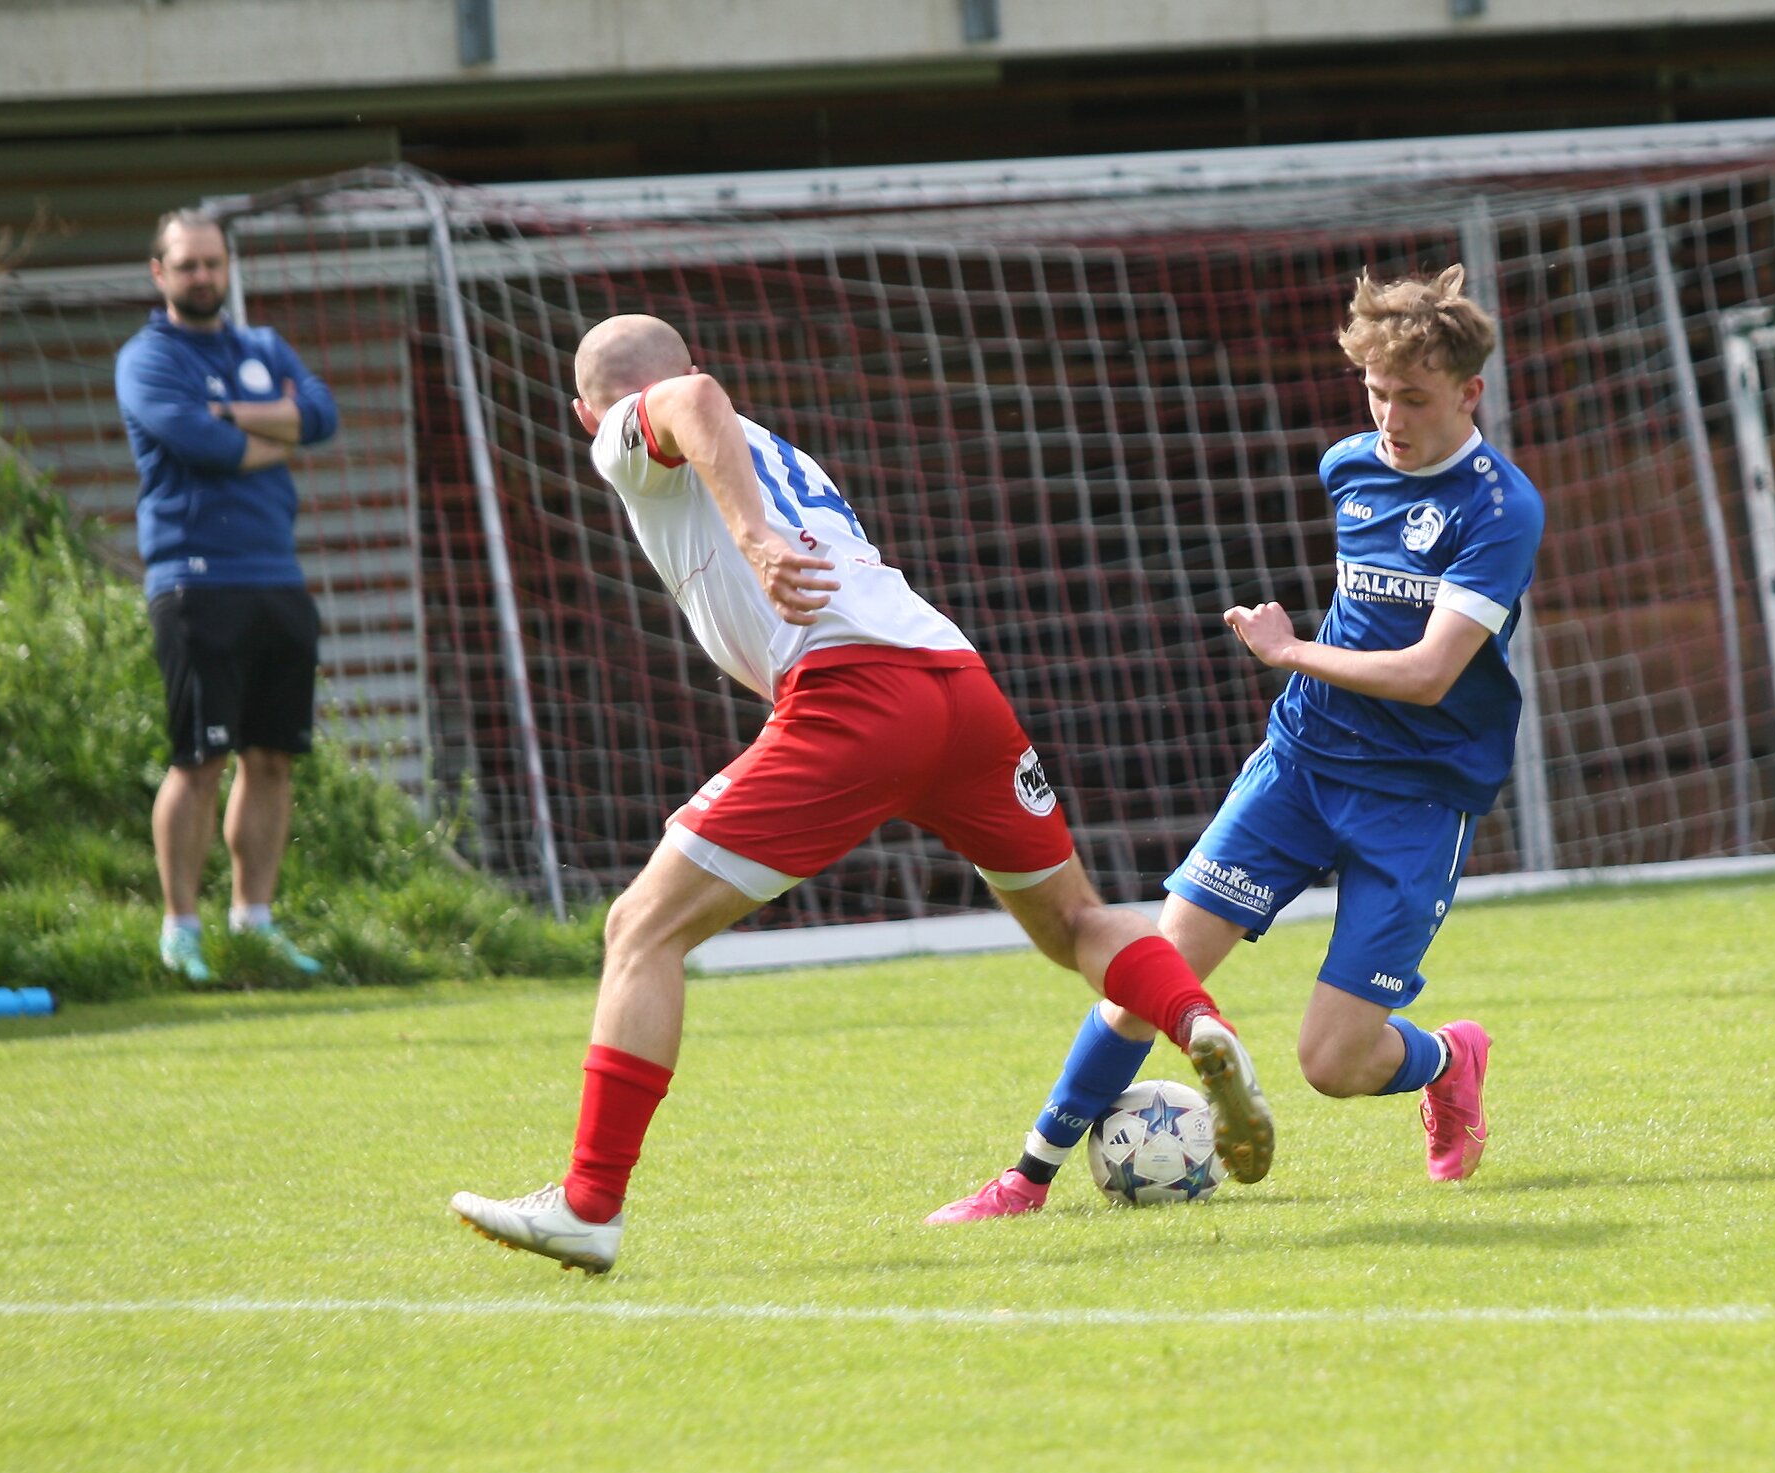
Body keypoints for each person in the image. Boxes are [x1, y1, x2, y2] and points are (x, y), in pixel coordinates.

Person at [448, 314, 1274, 1275]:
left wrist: (752, 537)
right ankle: (1198, 1022)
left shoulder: (633, 429)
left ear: (589, 411)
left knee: (641, 930)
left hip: (852, 697)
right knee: (1076, 921)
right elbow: (707, 400)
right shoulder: (767, 448)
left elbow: (688, 400)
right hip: (957, 686)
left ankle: (589, 1203)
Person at [925, 264, 1545, 1222]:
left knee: (1331, 1065)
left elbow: (1429, 673)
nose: (1390, 417)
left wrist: (1293, 649)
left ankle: (1446, 1058)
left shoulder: (1499, 511)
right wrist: (1307, 664)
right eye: (1376, 392)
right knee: (1151, 977)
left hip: (1417, 797)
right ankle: (1026, 1178)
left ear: (1469, 393)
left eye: (1414, 399)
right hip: (1300, 765)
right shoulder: (1350, 467)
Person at [114, 210, 339, 984]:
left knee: (271, 759)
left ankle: (255, 922)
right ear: (160, 273)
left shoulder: (262, 346)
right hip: (194, 579)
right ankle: (180, 929)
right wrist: (275, 431)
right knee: (200, 757)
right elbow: (200, 445)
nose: (203, 276)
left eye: (213, 263)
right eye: (187, 265)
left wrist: (235, 415)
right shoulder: (146, 359)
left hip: (277, 577)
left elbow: (324, 416)